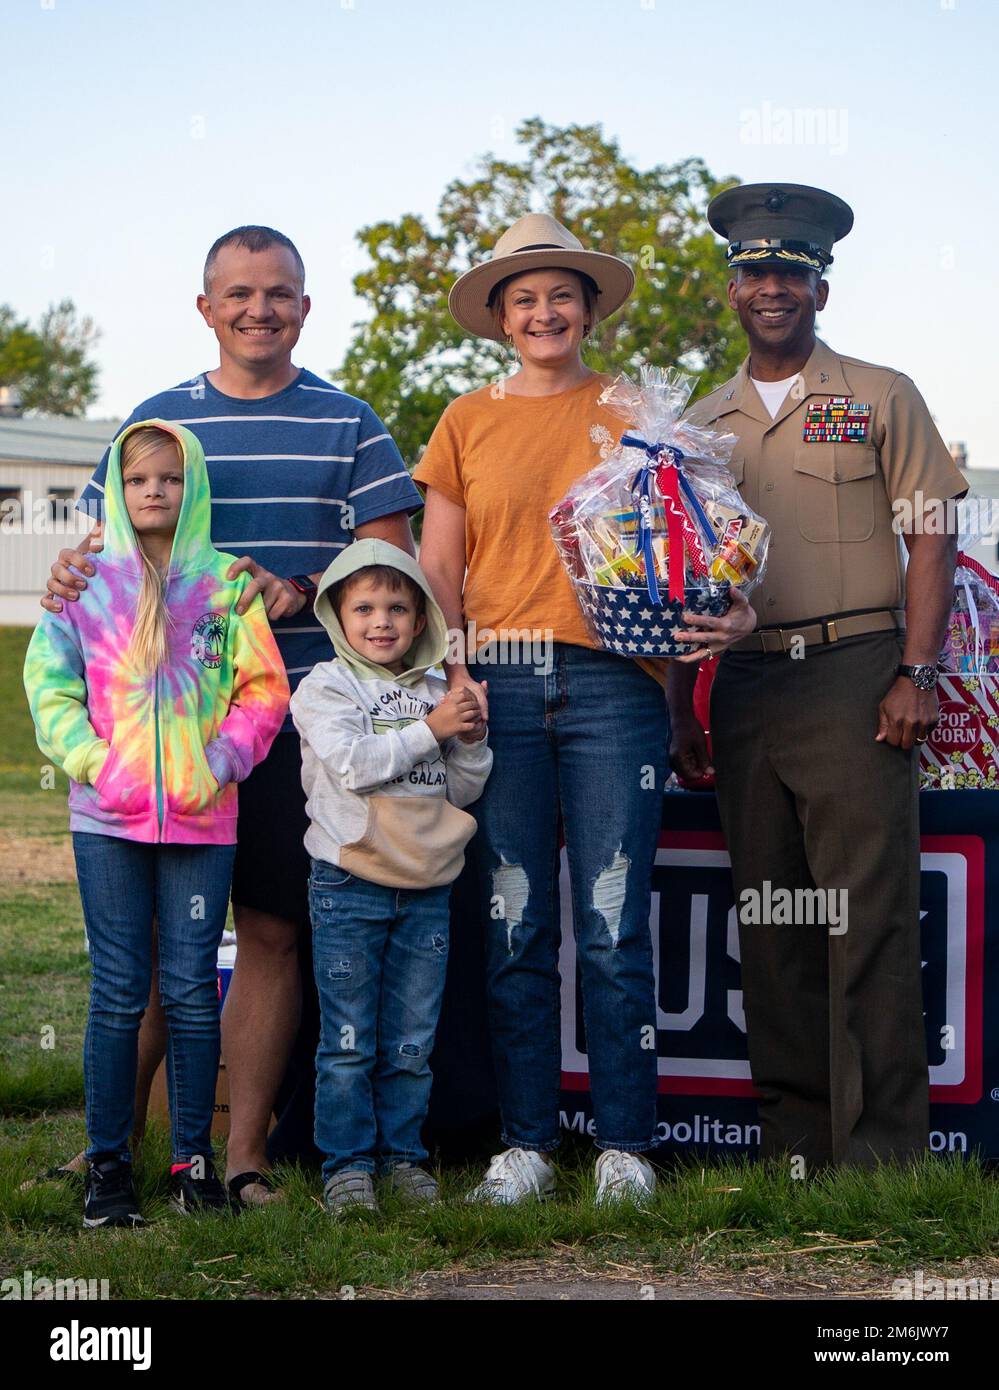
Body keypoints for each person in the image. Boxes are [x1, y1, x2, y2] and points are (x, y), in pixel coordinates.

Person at [40, 226, 422, 1205]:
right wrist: (72, 569)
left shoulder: (351, 425)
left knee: (271, 931)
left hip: (297, 723)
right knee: (161, 955)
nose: (260, 308)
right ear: (204, 308)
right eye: (239, 293)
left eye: (280, 292)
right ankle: (113, 1146)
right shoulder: (159, 420)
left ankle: (240, 1152)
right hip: (158, 733)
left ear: (306, 306)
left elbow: (391, 569)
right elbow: (101, 544)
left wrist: (299, 588)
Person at [415, 213, 757, 1205]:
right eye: (523, 298)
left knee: (611, 921)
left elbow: (701, 542)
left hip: (619, 684)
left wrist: (732, 602)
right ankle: (522, 1144)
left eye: (561, 293)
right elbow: (441, 562)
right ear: (499, 316)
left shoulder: (640, 416)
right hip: (499, 687)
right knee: (516, 919)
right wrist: (454, 672)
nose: (543, 311)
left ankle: (625, 1147)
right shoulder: (465, 418)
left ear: (591, 307)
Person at [668, 183, 967, 1170]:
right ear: (730, 290)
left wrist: (915, 673)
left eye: (791, 273)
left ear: (820, 289)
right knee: (774, 921)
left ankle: (881, 1163)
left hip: (855, 672)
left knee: (866, 920)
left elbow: (932, 536)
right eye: (755, 273)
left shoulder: (880, 394)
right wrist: (682, 703)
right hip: (746, 684)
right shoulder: (697, 421)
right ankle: (795, 1149)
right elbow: (674, 570)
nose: (772, 288)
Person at [24, 422, 289, 1226]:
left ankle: (192, 1162)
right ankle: (108, 1163)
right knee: (116, 992)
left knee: (189, 990)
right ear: (115, 489)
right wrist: (98, 764)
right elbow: (50, 683)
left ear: (192, 488)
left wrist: (218, 765)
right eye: (137, 479)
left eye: (170, 479)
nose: (153, 492)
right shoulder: (87, 585)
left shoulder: (226, 586)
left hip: (205, 826)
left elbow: (264, 692)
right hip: (107, 820)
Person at [289, 539, 492, 1213]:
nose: (381, 621)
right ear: (337, 616)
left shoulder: (440, 691)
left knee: (410, 1040)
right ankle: (346, 1166)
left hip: (428, 886)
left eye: (398, 607)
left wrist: (469, 740)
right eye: (364, 607)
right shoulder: (324, 687)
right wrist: (433, 727)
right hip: (350, 881)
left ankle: (402, 1159)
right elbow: (352, 764)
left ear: (421, 620)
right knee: (349, 1038)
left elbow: (457, 792)